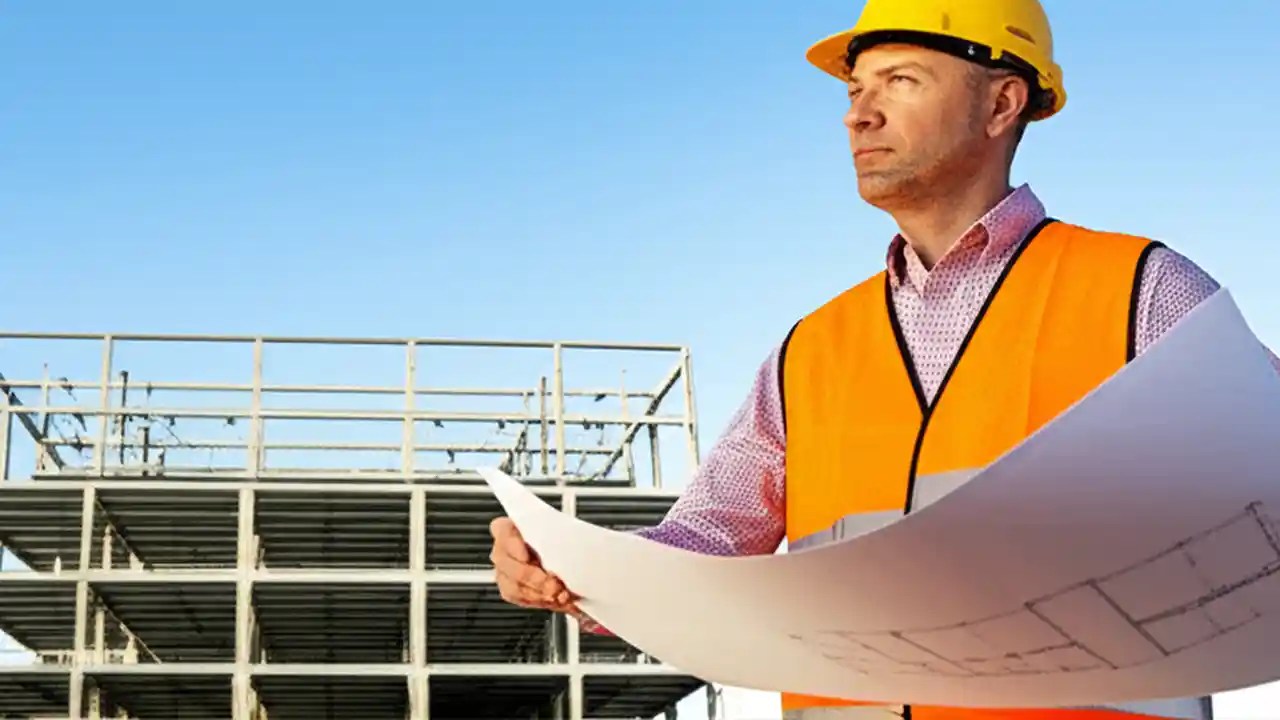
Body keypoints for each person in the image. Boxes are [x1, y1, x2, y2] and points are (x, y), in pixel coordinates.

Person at [490, 0, 1280, 718]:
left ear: (1003, 103)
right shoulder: (811, 350)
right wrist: (579, 568)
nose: (858, 116)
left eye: (899, 80)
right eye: (852, 91)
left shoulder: (1142, 292)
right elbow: (708, 539)